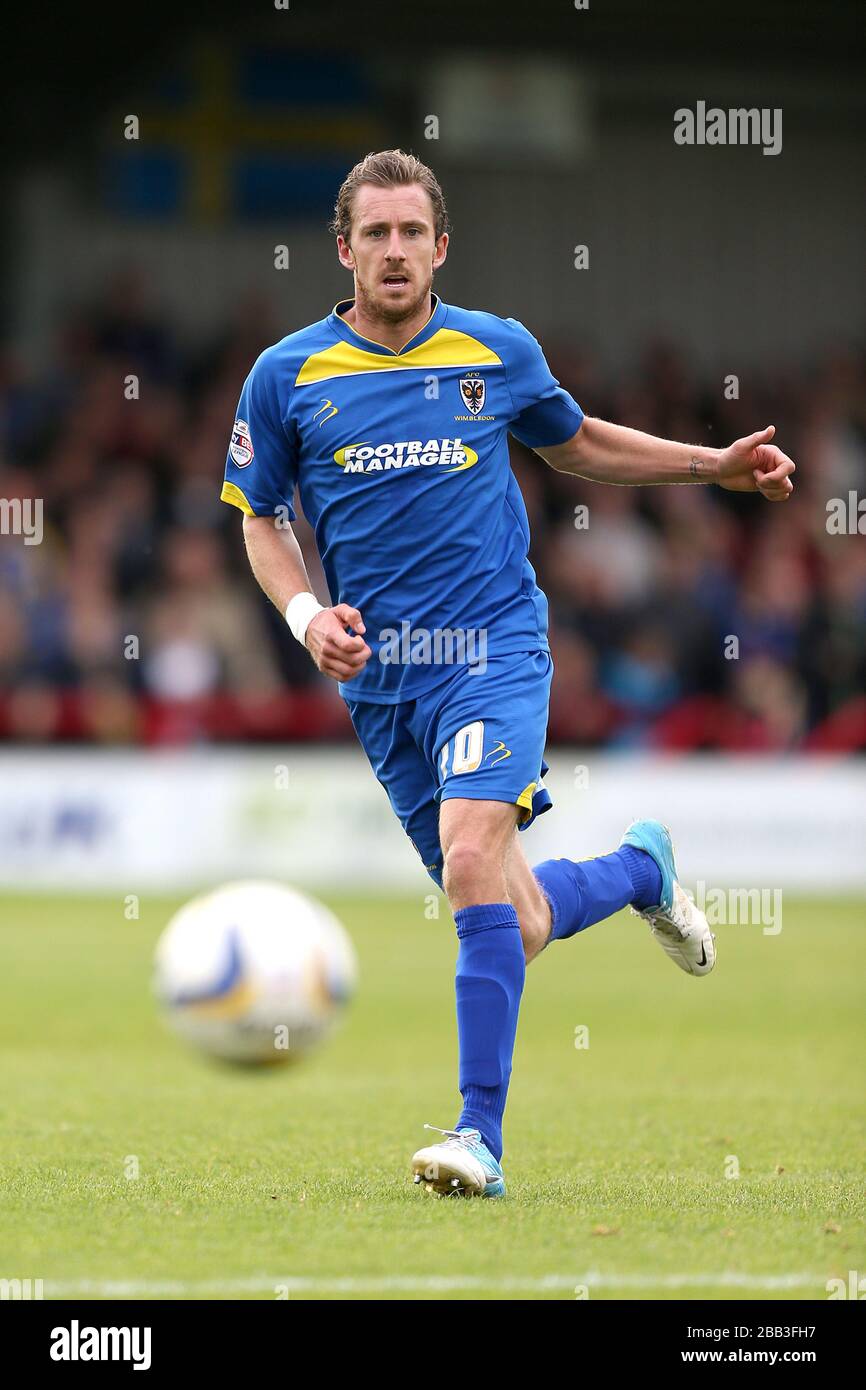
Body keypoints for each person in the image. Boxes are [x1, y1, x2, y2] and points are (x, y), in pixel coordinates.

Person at [221, 150, 795, 1199]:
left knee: (470, 862)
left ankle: (476, 1139)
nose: (393, 252)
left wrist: (708, 466)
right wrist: (307, 618)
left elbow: (576, 446)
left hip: (491, 648)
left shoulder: (494, 348)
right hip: (379, 683)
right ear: (343, 249)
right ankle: (637, 870)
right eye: (374, 234)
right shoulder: (287, 374)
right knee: (513, 919)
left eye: (412, 233)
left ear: (440, 245)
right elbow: (258, 520)